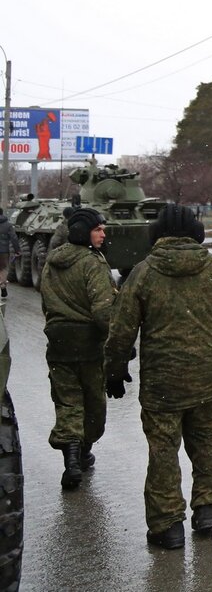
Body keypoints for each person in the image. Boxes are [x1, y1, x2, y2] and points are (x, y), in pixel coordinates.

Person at [105, 204, 212, 550]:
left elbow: (121, 330)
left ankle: (168, 526)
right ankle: (206, 510)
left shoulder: (143, 273)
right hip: (209, 378)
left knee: (163, 451)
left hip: (163, 385)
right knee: (206, 442)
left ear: (157, 234)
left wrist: (114, 371)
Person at [39, 207, 117, 490]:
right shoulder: (92, 263)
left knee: (67, 401)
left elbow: (46, 303)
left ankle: (71, 461)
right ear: (85, 233)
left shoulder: (52, 262)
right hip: (88, 344)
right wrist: (117, 342)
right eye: (98, 229)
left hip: (58, 341)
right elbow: (103, 311)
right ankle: (83, 452)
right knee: (93, 403)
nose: (103, 233)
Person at [0, 212, 18, 298]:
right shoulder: (8, 225)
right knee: (3, 269)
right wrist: (17, 250)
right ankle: (3, 286)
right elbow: (14, 238)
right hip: (4, 251)